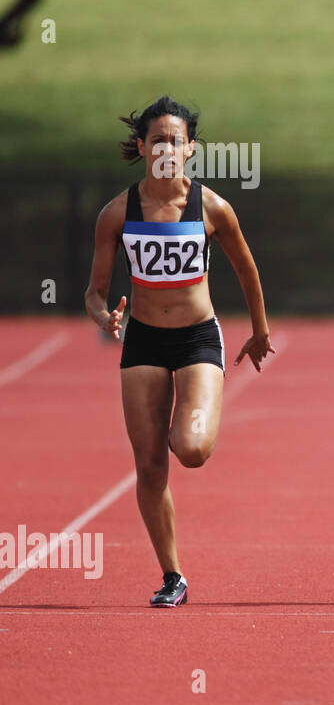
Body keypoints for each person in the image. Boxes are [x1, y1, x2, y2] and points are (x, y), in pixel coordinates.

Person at [84, 96, 274, 607]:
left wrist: (258, 331)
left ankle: (183, 421)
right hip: (144, 340)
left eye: (177, 139)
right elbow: (95, 291)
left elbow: (247, 269)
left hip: (195, 338)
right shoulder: (117, 213)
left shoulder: (211, 207)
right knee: (148, 466)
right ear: (143, 146)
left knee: (190, 450)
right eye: (158, 139)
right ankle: (173, 576)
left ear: (191, 148)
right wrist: (105, 318)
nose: (168, 147)